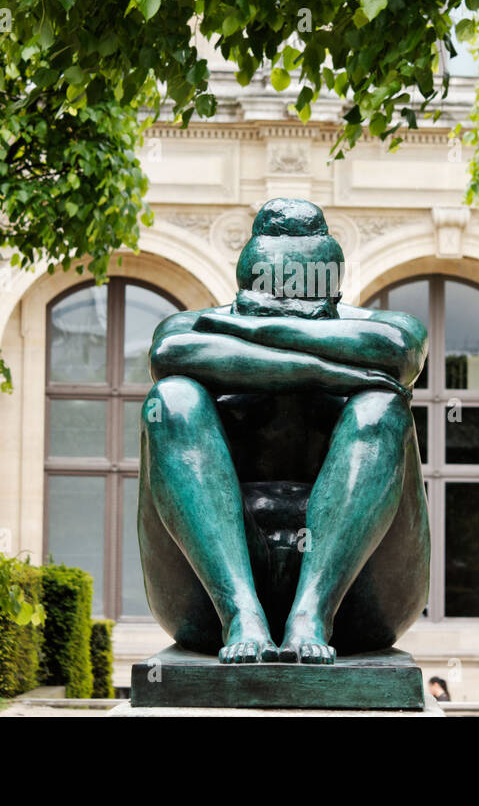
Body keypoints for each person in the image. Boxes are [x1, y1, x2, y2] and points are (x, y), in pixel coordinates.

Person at [138, 198, 430, 664]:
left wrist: (262, 331)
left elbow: (397, 352)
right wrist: (324, 371)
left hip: (363, 600)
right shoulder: (189, 328)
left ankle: (312, 612)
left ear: (332, 292)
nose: (286, 311)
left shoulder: (380, 328)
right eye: (270, 303)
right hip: (206, 604)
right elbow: (168, 353)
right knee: (172, 400)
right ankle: (240, 611)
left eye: (303, 303)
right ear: (243, 291)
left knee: (382, 407)